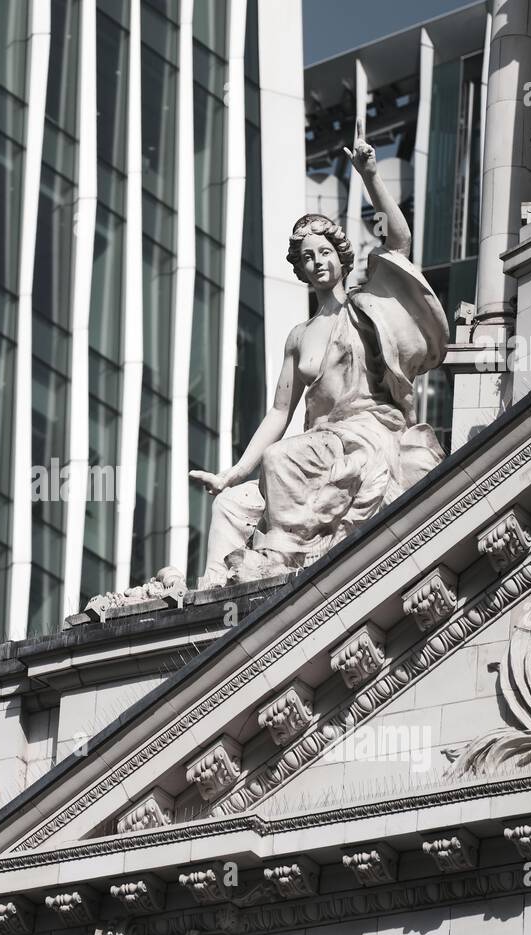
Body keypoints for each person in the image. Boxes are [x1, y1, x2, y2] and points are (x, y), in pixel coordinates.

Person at [190, 123, 449, 588]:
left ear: (341, 255)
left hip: (364, 434)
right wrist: (231, 475)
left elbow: (400, 241)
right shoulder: (299, 336)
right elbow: (277, 414)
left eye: (324, 252)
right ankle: (213, 609)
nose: (317, 262)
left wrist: (370, 175)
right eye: (307, 257)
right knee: (229, 507)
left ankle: (278, 555)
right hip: (316, 446)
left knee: (281, 461)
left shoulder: (366, 305)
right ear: (301, 268)